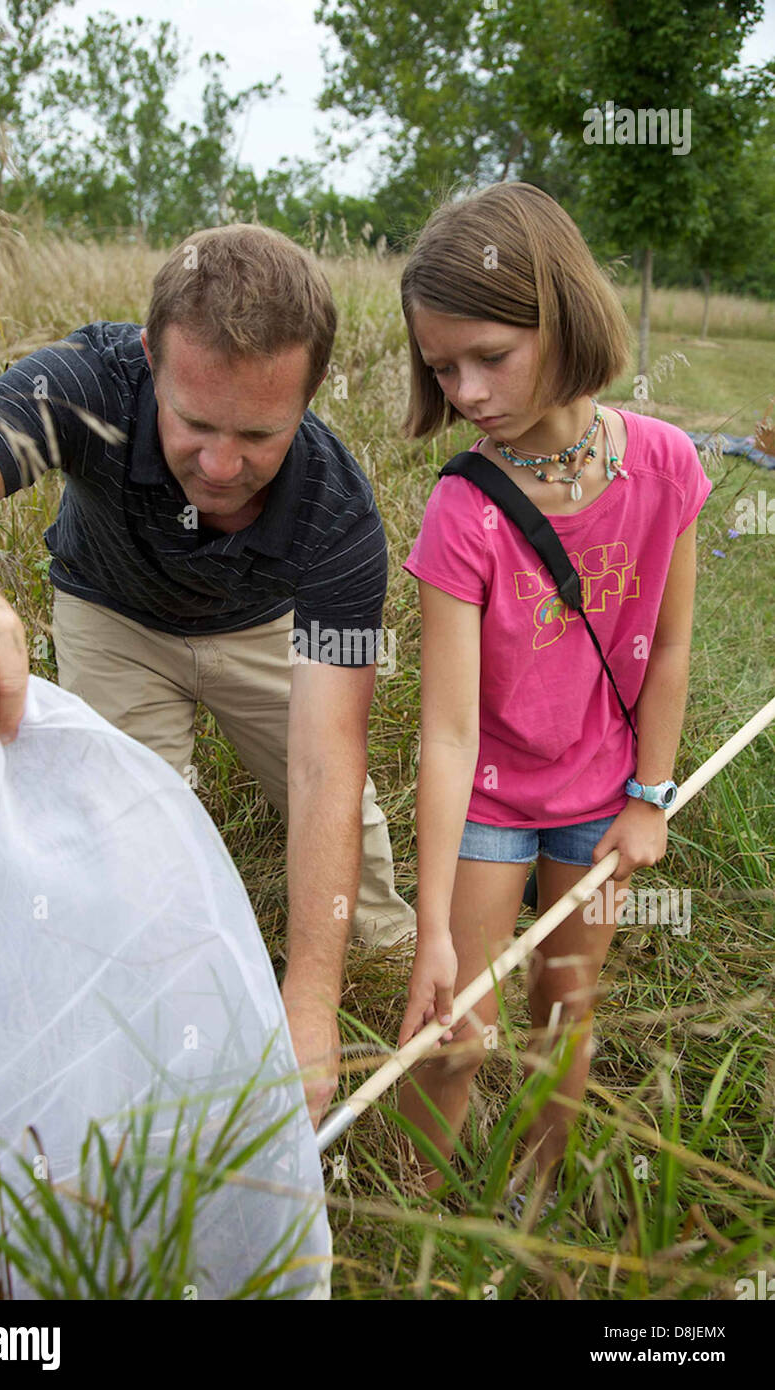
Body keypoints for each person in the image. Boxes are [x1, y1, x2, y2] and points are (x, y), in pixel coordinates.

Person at [0, 222, 417, 1131]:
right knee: (125, 844)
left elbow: (324, 764)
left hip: (261, 631)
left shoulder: (340, 517)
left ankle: (380, 957)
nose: (220, 468)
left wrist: (309, 996)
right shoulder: (89, 384)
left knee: (359, 845)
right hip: (112, 617)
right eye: (194, 423)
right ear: (149, 360)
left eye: (259, 433)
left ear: (309, 395)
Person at [394, 182, 712, 1203]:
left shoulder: (664, 465)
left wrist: (648, 797)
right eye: (443, 368)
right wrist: (432, 925)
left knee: (563, 1014)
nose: (468, 390)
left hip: (602, 796)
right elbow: (444, 732)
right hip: (486, 802)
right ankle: (410, 1220)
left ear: (561, 315)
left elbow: (667, 653)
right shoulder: (461, 510)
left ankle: (532, 1206)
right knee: (457, 1033)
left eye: (489, 354)